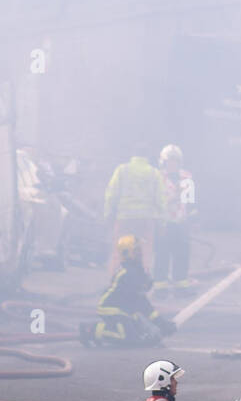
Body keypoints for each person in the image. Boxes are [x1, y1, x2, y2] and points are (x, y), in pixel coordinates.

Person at [80, 236, 173, 346]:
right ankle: (90, 330)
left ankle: (115, 329)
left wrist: (160, 323)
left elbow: (140, 300)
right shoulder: (128, 274)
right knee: (129, 338)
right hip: (111, 308)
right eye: (136, 251)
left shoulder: (136, 270)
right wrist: (160, 323)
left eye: (140, 250)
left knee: (140, 335)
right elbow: (141, 302)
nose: (140, 254)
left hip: (126, 309)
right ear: (126, 253)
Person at [104, 147, 167, 271]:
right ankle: (142, 283)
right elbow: (160, 200)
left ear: (132, 155)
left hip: (124, 219)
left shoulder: (122, 170)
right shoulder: (154, 173)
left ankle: (114, 281)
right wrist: (162, 222)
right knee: (145, 253)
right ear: (147, 157)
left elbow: (111, 195)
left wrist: (108, 215)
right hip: (145, 220)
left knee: (119, 251)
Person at [155, 144, 196, 289]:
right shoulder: (157, 177)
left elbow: (190, 202)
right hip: (164, 223)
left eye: (175, 161)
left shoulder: (186, 176)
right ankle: (160, 287)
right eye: (170, 161)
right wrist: (174, 197)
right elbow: (156, 202)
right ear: (163, 162)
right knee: (162, 255)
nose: (172, 164)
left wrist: (190, 221)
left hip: (180, 223)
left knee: (182, 254)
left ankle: (181, 285)